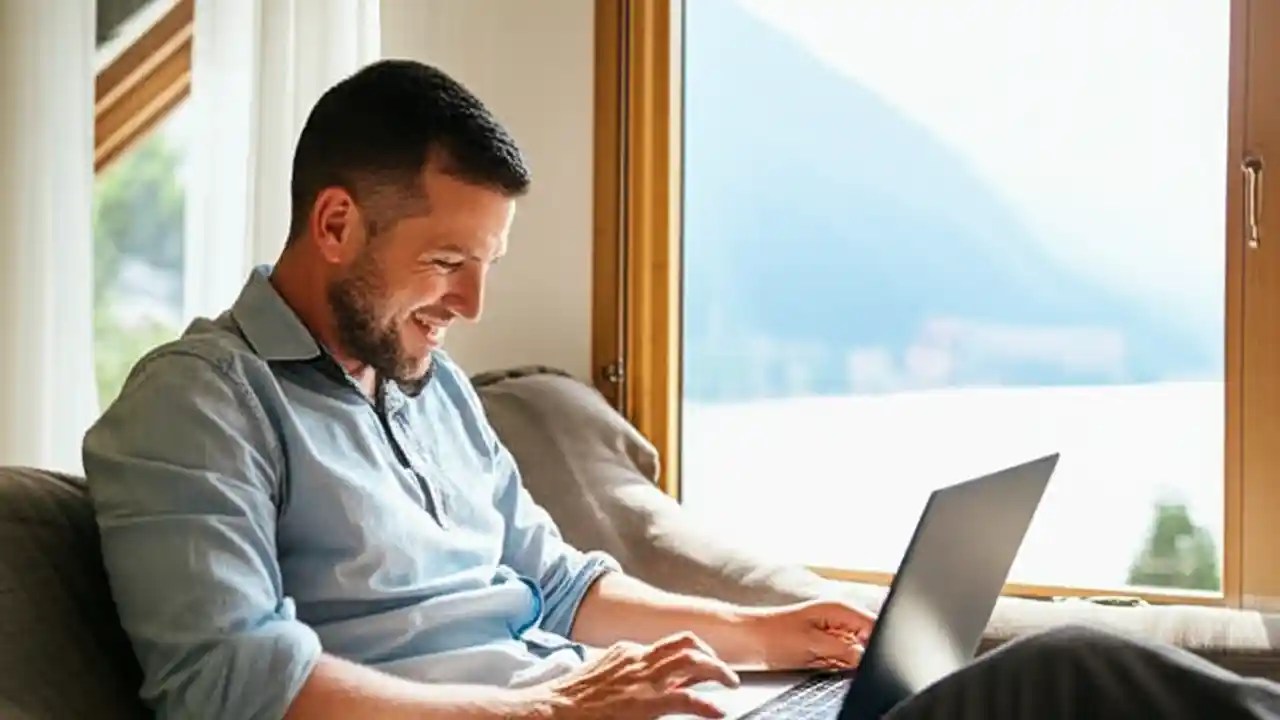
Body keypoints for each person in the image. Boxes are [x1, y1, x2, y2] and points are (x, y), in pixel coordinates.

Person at [82, 59, 1280, 720]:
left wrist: (764, 637)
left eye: (483, 268)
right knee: (1064, 673)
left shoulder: (426, 386)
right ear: (334, 223)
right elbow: (233, 683)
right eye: (446, 263)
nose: (469, 308)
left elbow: (557, 586)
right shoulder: (199, 406)